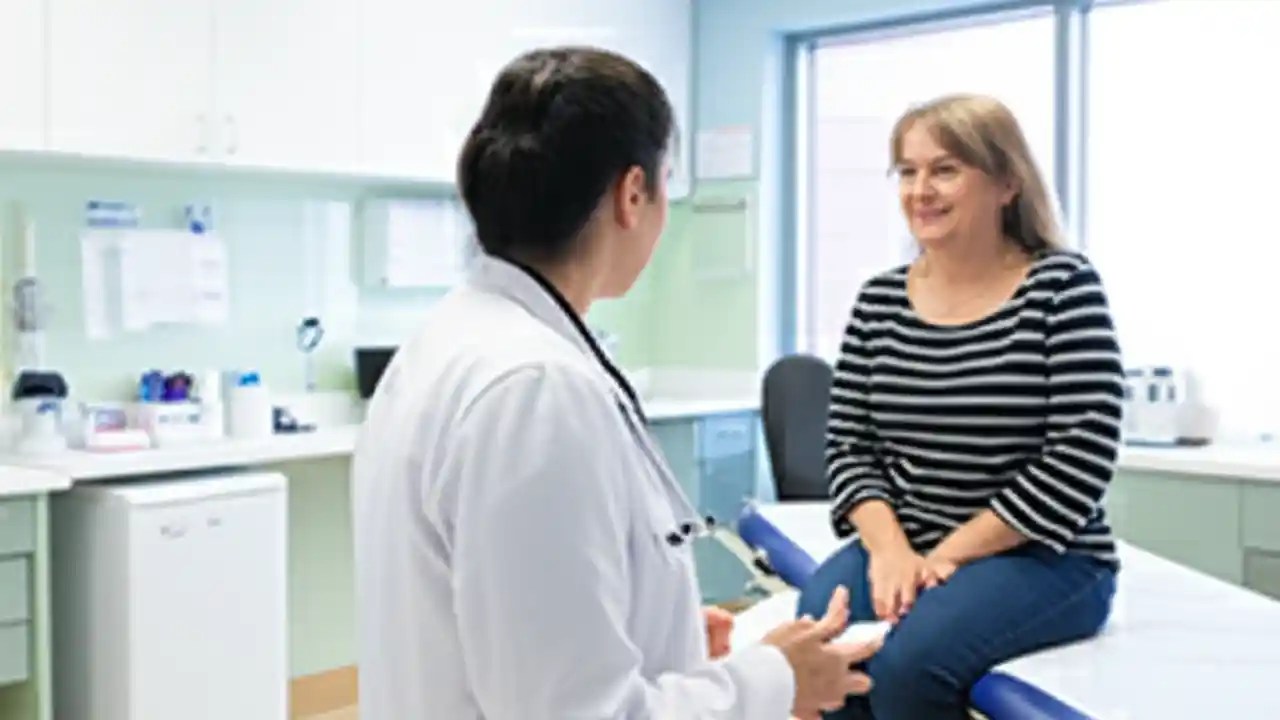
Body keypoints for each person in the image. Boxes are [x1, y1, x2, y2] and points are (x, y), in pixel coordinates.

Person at [351, 46, 880, 720]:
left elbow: (507, 615)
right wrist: (775, 682)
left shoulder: (452, 341)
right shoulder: (534, 388)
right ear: (633, 194)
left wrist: (666, 637)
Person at [796, 93, 1124, 720]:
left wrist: (948, 555)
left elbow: (1079, 456)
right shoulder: (880, 300)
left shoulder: (1061, 287)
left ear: (1006, 183)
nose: (921, 190)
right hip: (906, 543)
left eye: (945, 169)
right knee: (819, 642)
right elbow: (848, 445)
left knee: (907, 668)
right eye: (908, 171)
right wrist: (891, 551)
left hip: (1040, 556)